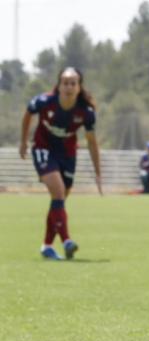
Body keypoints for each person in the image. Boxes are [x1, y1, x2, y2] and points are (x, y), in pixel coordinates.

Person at [18, 66, 103, 259]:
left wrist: (98, 172)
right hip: (43, 149)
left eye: (73, 83)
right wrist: (23, 141)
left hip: (67, 155)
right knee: (57, 192)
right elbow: (27, 114)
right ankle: (67, 241)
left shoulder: (86, 112)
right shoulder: (44, 101)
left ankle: (47, 246)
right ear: (59, 85)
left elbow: (91, 142)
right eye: (65, 82)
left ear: (79, 87)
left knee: (59, 201)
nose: (69, 86)